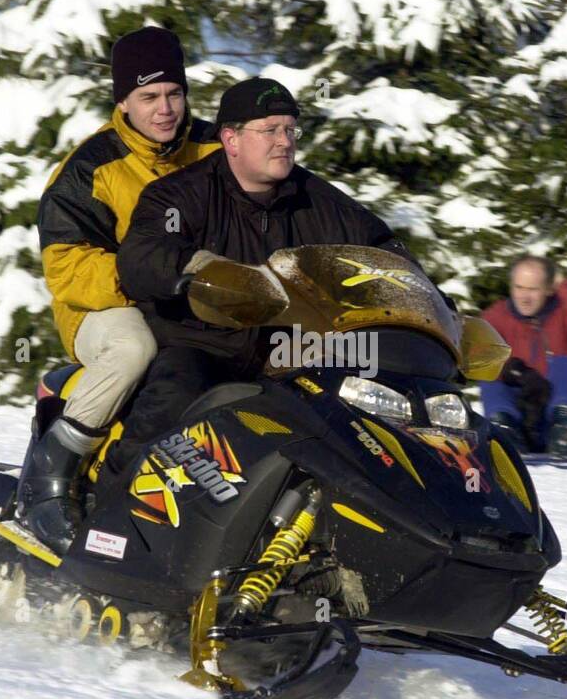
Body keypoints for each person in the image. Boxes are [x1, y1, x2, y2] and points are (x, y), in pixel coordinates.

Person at [112, 77, 419, 472]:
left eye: (291, 129)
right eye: (270, 130)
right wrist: (199, 270)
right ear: (231, 139)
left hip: (289, 355)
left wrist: (426, 299)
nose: (285, 141)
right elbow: (143, 254)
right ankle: (112, 508)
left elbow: (383, 250)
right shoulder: (179, 196)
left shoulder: (322, 202)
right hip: (202, 345)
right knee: (175, 395)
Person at [20, 26, 220, 552]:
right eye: (148, 97)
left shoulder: (216, 148)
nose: (165, 109)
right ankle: (54, 470)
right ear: (124, 102)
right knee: (137, 348)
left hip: (203, 299)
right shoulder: (90, 168)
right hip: (102, 307)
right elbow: (66, 267)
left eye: (174, 94)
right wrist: (148, 281)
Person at [479, 255, 567, 456]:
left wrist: (561, 283)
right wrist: (514, 370)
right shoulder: (496, 318)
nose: (524, 297)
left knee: (565, 363)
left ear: (548, 289)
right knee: (489, 373)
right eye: (519, 287)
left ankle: (563, 425)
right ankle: (503, 427)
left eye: (533, 289)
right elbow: (477, 356)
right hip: (520, 418)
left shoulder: (566, 314)